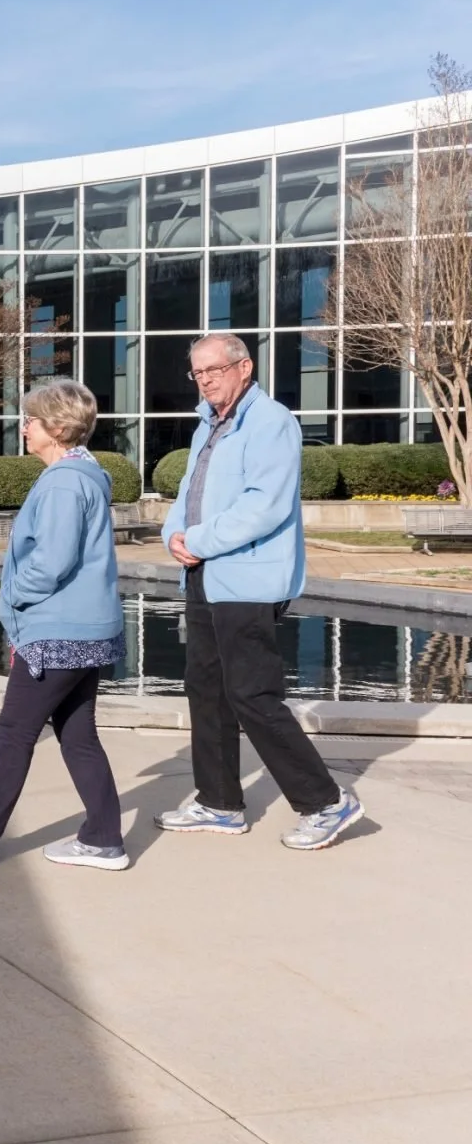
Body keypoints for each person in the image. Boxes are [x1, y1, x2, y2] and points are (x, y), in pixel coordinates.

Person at [158, 332, 363, 849]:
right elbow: (187, 494)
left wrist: (199, 540)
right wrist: (174, 536)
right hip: (205, 573)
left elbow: (263, 504)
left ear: (243, 368)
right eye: (197, 373)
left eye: (214, 370)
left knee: (252, 693)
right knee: (205, 689)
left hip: (248, 579)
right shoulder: (209, 425)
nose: (205, 380)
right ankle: (219, 802)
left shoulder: (270, 421)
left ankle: (326, 802)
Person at [0, 380, 130, 870]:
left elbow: (50, 562)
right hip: (86, 630)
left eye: (30, 419)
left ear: (54, 427)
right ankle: (102, 838)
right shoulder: (88, 474)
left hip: (57, 631)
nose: (24, 426)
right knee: (78, 735)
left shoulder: (62, 482)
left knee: (14, 731)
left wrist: (11, 597)